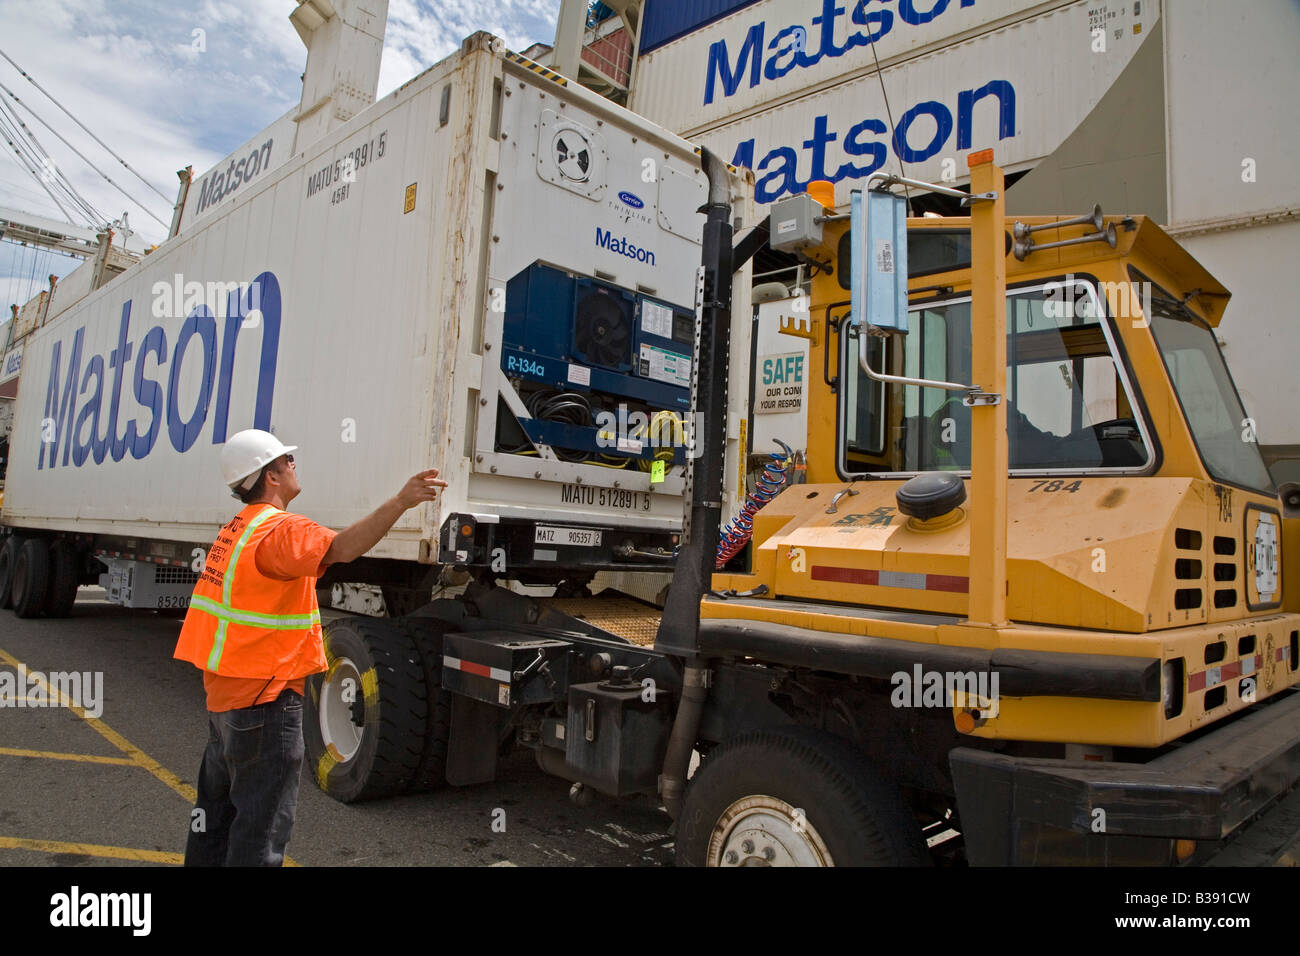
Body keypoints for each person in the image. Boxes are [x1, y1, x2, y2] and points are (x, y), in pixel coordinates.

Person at [174, 428, 446, 866]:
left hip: (225, 699)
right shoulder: (281, 531)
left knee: (213, 819)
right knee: (259, 834)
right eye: (287, 461)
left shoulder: (237, 530)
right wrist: (402, 501)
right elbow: (341, 548)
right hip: (264, 702)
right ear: (271, 477)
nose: (294, 465)